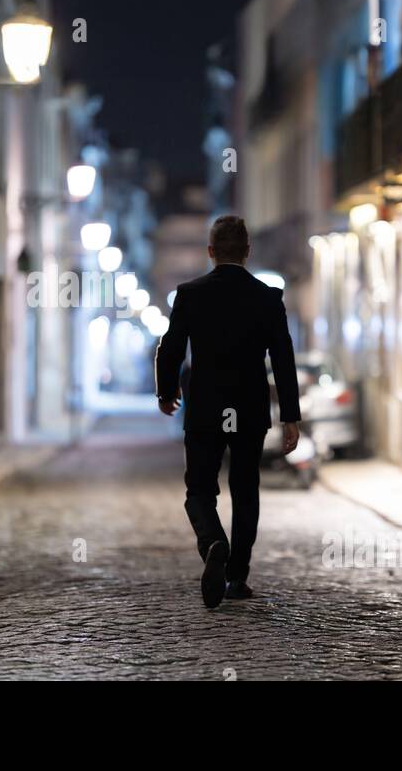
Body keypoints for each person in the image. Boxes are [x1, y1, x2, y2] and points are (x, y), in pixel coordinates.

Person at [154, 215, 301, 609]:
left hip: (205, 407)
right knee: (245, 490)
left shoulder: (190, 293)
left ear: (211, 252)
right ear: (248, 252)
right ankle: (237, 578)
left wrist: (166, 392)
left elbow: (170, 349)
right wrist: (290, 415)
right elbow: (283, 360)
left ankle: (212, 542)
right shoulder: (268, 297)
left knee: (199, 489)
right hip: (249, 408)